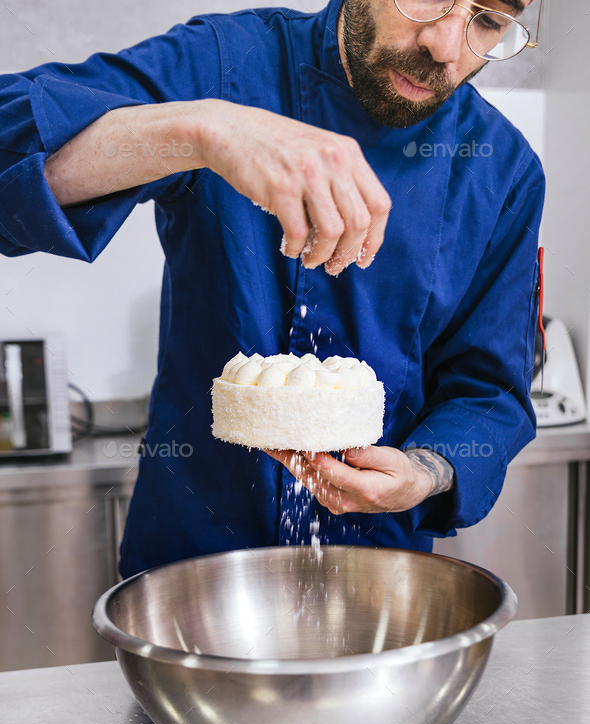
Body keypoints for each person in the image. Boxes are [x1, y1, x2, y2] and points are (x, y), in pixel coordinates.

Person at [0, 0, 544, 578]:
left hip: (376, 576)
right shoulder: (227, 66)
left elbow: (490, 391)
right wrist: (201, 130)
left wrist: (426, 470)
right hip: (190, 556)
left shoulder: (502, 170)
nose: (445, 46)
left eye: (487, 21)